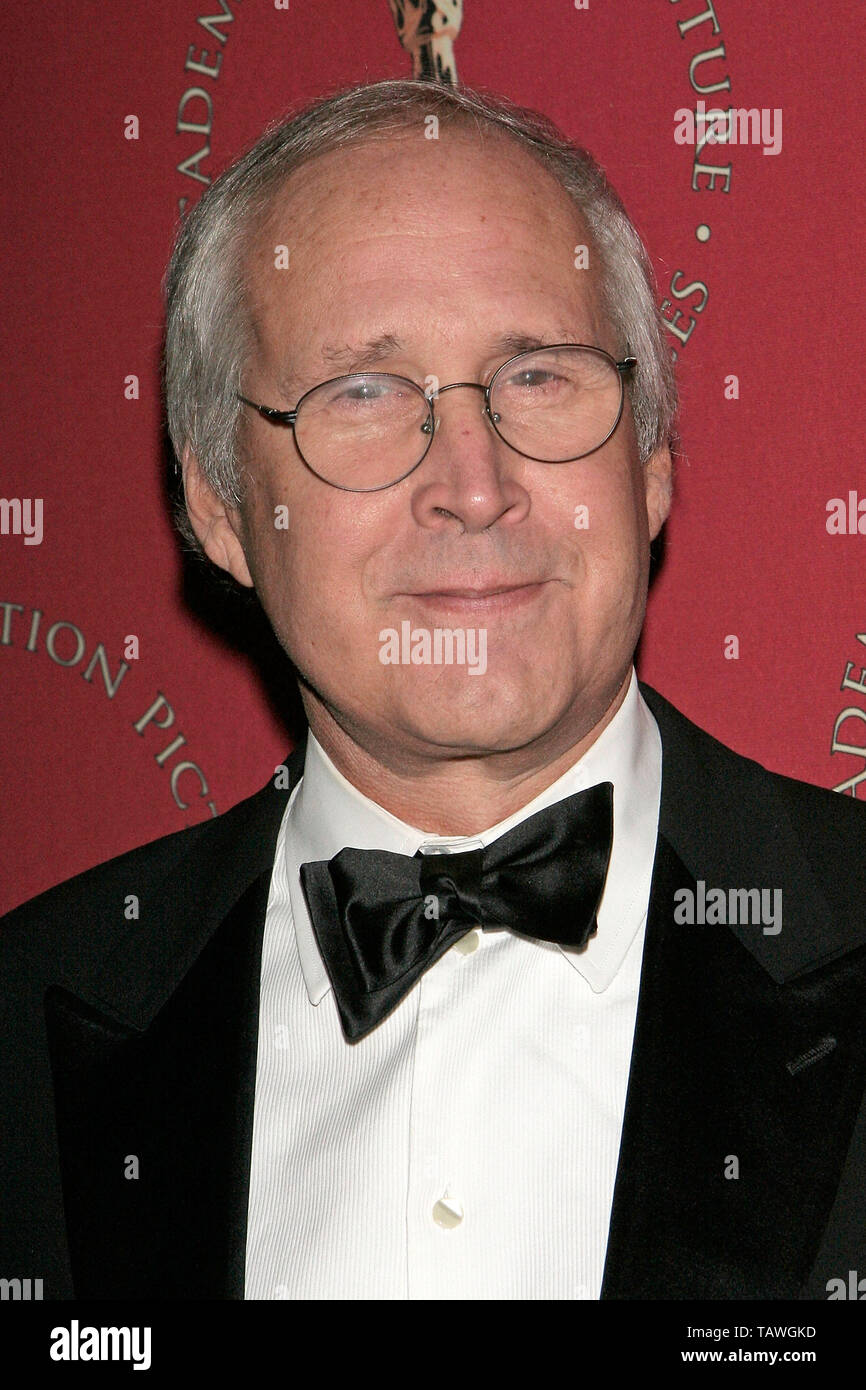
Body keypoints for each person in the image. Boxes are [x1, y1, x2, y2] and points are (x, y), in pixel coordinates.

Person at [2, 78, 865, 1302]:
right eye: (362, 393)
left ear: (652, 457)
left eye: (536, 377)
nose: (473, 482)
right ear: (220, 507)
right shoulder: (25, 1032)